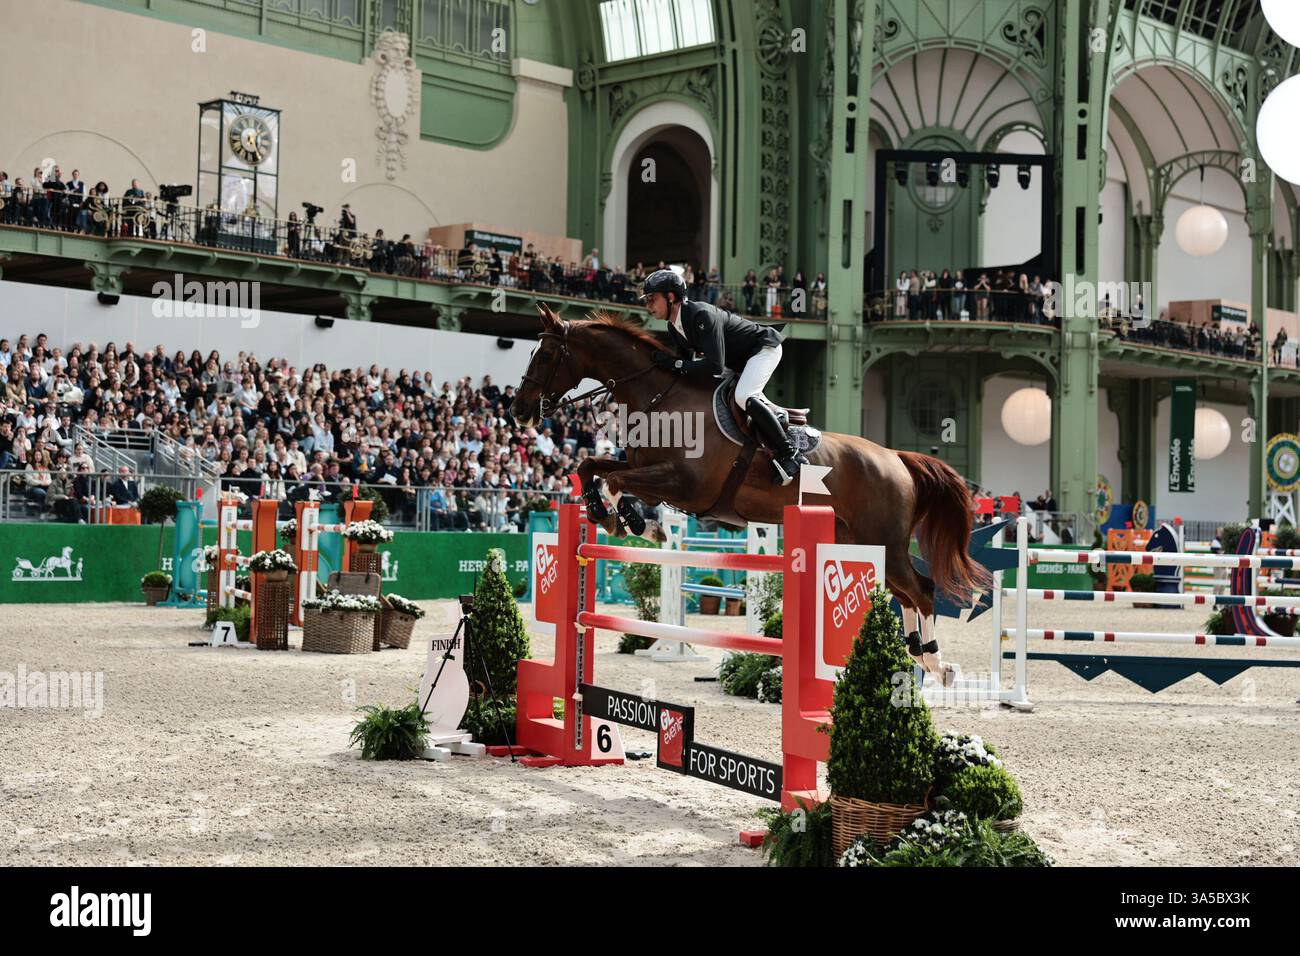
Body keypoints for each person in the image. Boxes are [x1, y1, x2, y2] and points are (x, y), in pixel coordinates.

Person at [641, 269, 806, 485]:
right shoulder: (674, 327)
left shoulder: (701, 315)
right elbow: (685, 373)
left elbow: (712, 365)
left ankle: (789, 452)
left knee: (743, 395)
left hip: (762, 349)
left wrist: (674, 363)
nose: (649, 306)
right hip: (736, 362)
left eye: (652, 299)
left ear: (671, 297)